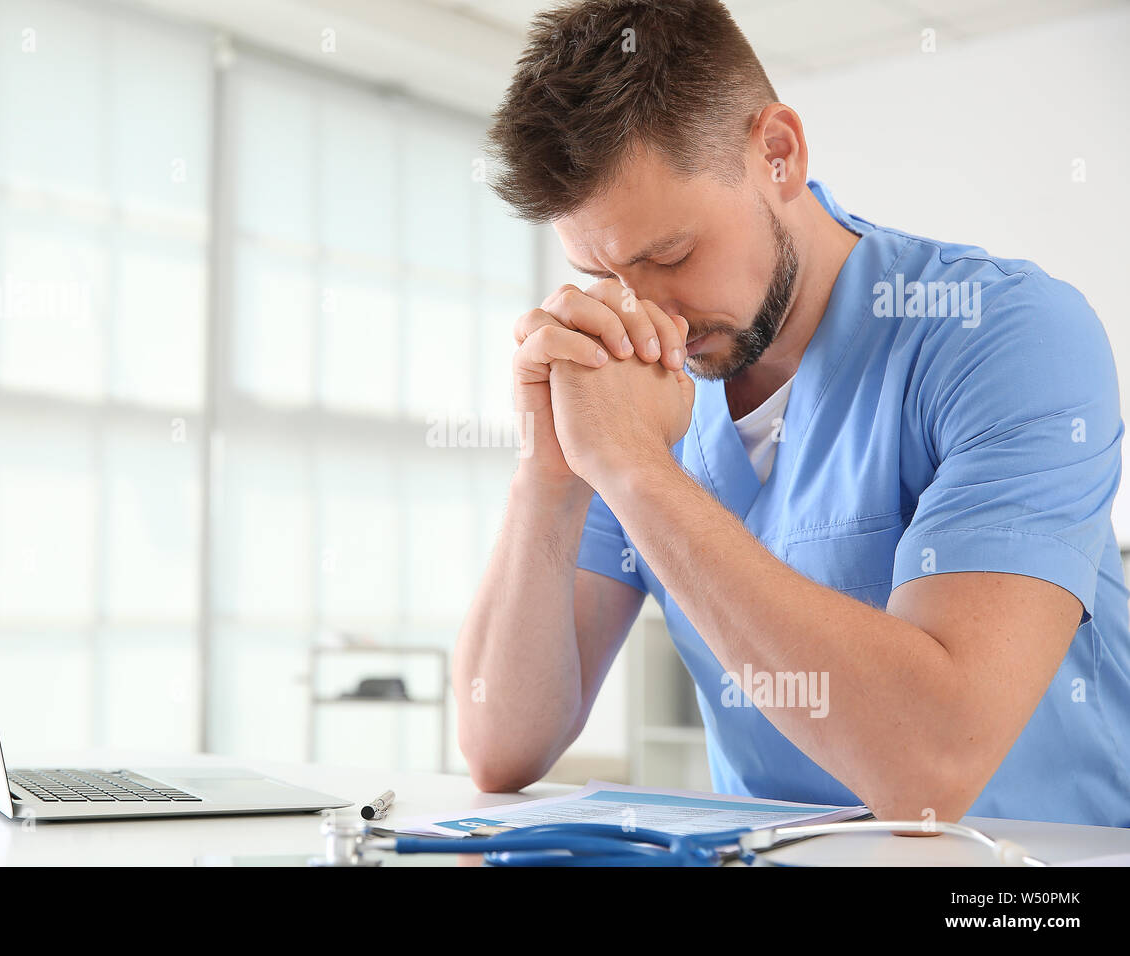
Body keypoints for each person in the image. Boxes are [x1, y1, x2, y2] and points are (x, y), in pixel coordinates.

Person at [453, 0, 1130, 827]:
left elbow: (933, 767)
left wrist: (636, 470)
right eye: (609, 276)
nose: (648, 316)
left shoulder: (1006, 337)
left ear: (778, 154)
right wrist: (550, 471)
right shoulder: (635, 389)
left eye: (672, 255)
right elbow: (499, 745)